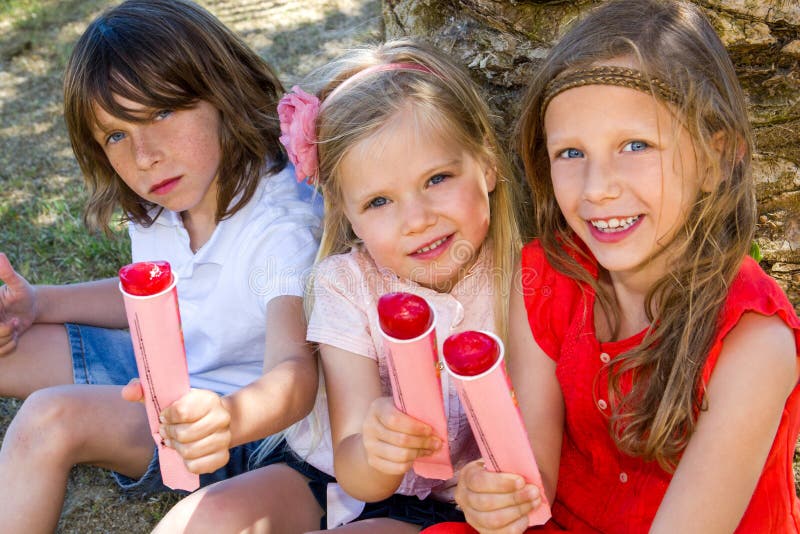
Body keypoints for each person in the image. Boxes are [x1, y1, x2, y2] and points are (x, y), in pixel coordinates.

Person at [426, 0, 800, 532]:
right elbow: (533, 481)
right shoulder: (543, 279)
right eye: (571, 154)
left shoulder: (752, 341)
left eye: (635, 145)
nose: (598, 187)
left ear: (717, 158)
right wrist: (497, 496)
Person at [151, 38, 523, 533]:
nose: (416, 219)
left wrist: (489, 482)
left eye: (437, 179)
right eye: (379, 202)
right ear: (345, 214)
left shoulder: (526, 280)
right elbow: (355, 467)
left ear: (488, 163)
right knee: (199, 521)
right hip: (336, 473)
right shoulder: (347, 285)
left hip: (454, 503)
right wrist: (377, 448)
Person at [0, 1, 322, 532]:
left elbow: (296, 375)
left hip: (237, 430)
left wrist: (227, 418)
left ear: (222, 91)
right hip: (164, 369)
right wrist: (40, 303)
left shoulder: (281, 228)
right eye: (116, 135)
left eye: (160, 113)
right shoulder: (164, 201)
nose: (144, 155)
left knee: (47, 417)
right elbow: (155, 295)